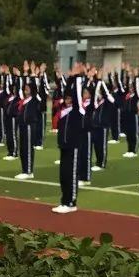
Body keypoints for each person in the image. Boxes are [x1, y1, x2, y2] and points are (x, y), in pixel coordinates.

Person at [53, 66, 85, 214]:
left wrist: (77, 77)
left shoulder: (78, 111)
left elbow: (76, 94)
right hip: (64, 146)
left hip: (74, 145)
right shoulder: (62, 111)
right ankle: (64, 201)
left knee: (71, 175)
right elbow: (65, 90)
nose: (67, 100)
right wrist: (69, 78)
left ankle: (71, 202)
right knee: (63, 175)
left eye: (69, 98)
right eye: (66, 98)